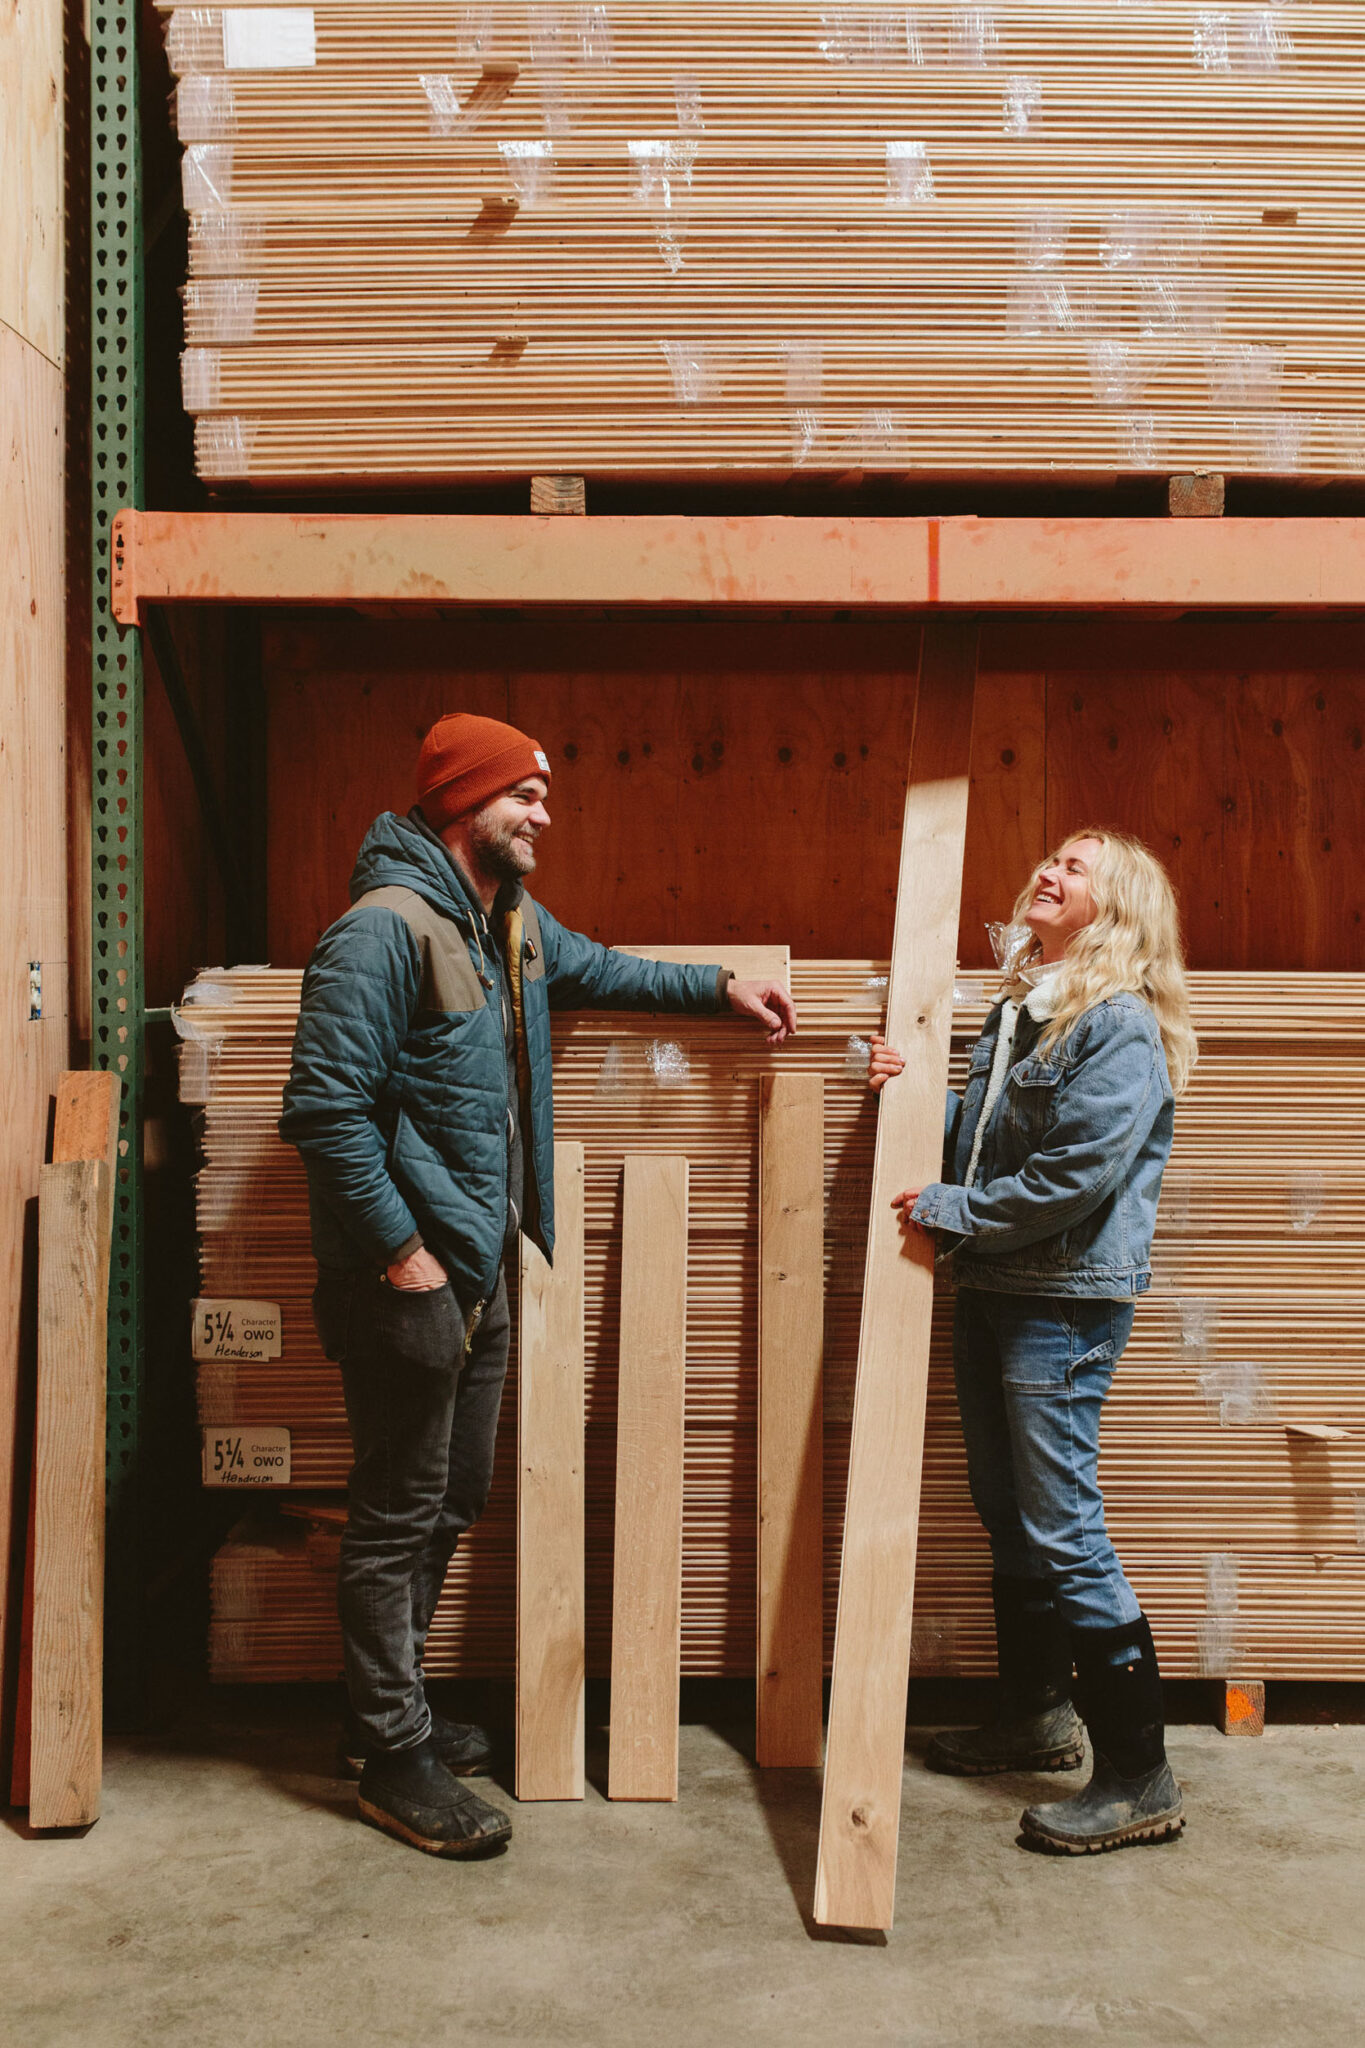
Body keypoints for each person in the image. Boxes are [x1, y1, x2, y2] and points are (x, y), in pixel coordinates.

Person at [280, 712, 796, 1859]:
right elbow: (323, 1111)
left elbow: (603, 966)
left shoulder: (505, 925)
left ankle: (391, 1717)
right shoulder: (384, 931)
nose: (544, 814)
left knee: (451, 1497)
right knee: (397, 1511)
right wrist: (401, 1256)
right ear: (466, 801)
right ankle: (388, 1752)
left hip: (479, 1268)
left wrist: (721, 984)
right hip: (407, 1276)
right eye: (527, 794)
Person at [869, 827, 1197, 1854]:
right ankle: (1035, 1715)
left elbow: (1072, 1180)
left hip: (1060, 1299)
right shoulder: (1022, 1007)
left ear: (1121, 907)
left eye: (1077, 867)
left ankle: (1141, 1775)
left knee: (1064, 1526)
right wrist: (906, 1084)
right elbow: (973, 1132)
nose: (1048, 871)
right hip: (997, 1281)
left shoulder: (1119, 1026)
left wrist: (953, 1206)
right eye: (1050, 857)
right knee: (1009, 1511)